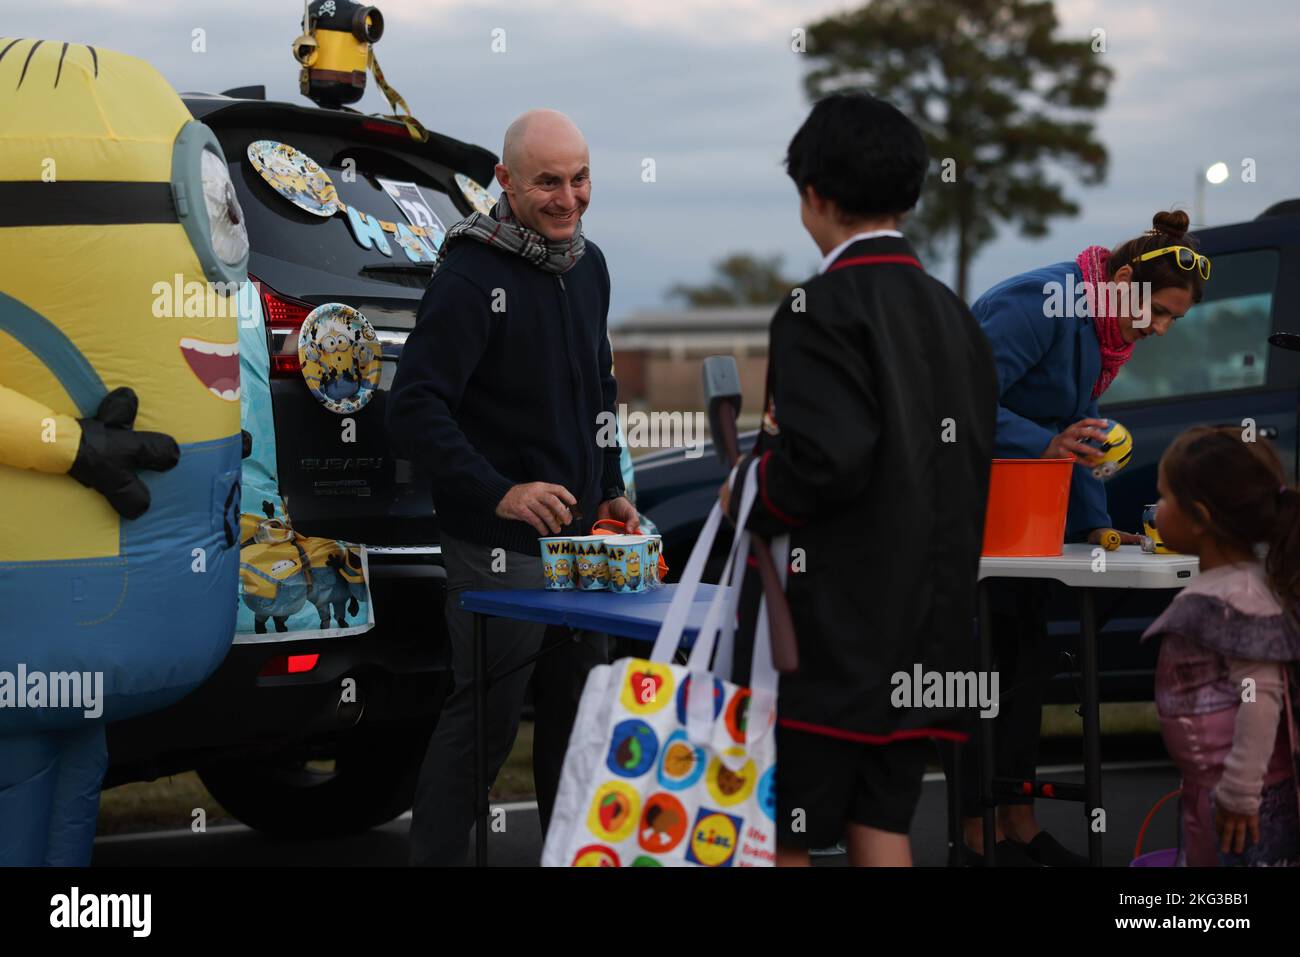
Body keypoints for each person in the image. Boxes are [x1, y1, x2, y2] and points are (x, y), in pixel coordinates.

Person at [722, 92, 998, 867]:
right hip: (932, 628)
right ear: (908, 194)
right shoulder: (954, 313)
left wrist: (750, 485)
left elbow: (826, 461)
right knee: (884, 824)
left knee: (781, 833)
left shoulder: (819, 308)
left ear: (813, 195)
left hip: (835, 636)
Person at [387, 109, 638, 866]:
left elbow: (598, 386)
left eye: (581, 178)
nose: (569, 198)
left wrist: (611, 488)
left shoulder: (587, 265)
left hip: (583, 546)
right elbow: (412, 408)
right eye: (548, 182)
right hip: (496, 547)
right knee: (487, 720)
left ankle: (572, 856)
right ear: (504, 182)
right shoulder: (469, 274)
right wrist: (499, 491)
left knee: (579, 709)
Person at [961, 209, 1209, 866]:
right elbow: (958, 399)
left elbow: (1081, 428)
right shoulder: (1041, 301)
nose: (1158, 328)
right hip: (967, 513)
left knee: (1026, 663)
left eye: (1172, 320)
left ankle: (1018, 820)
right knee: (981, 669)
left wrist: (1094, 522)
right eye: (1157, 310)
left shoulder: (1105, 326)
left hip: (1029, 521)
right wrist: (1041, 443)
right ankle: (974, 834)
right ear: (1122, 278)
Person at [1143, 427, 1300, 866]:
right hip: (1210, 791)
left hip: (1246, 804)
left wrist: (1240, 791)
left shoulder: (1240, 599)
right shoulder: (1228, 588)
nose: (1157, 510)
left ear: (1200, 517)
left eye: (1165, 497)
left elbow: (1261, 698)